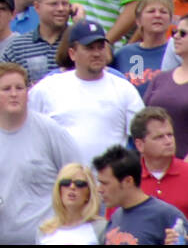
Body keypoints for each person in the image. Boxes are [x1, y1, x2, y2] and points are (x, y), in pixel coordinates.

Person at [29, 17, 145, 163]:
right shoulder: (47, 88)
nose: (96, 53)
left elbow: (143, 136)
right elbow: (27, 135)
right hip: (63, 182)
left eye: (100, 47)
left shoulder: (124, 88)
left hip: (110, 182)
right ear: (72, 53)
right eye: (89, 48)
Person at [94, 144, 184, 244]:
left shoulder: (166, 216)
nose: (99, 189)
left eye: (105, 183)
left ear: (128, 181)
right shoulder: (116, 217)